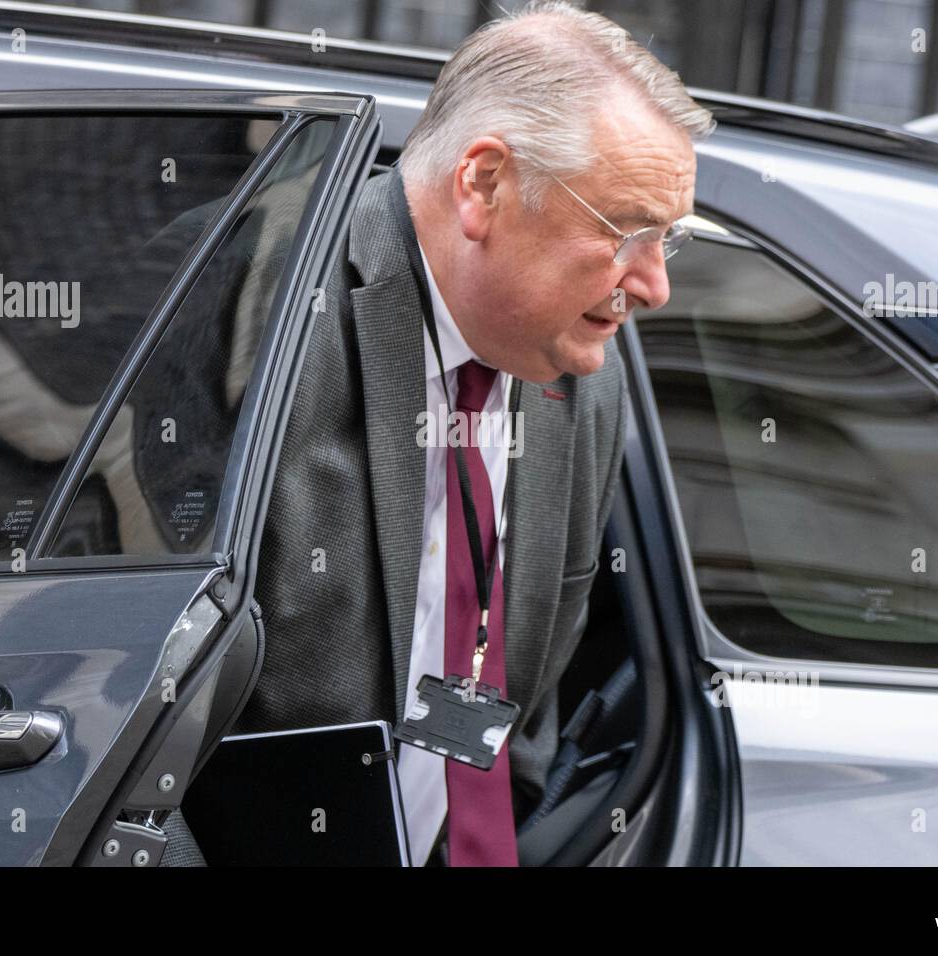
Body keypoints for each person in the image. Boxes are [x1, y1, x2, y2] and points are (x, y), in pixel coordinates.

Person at [238, 0, 713, 866]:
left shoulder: (576, 375)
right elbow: (123, 706)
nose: (653, 286)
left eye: (667, 240)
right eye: (626, 230)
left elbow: (525, 693)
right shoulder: (260, 317)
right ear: (484, 184)